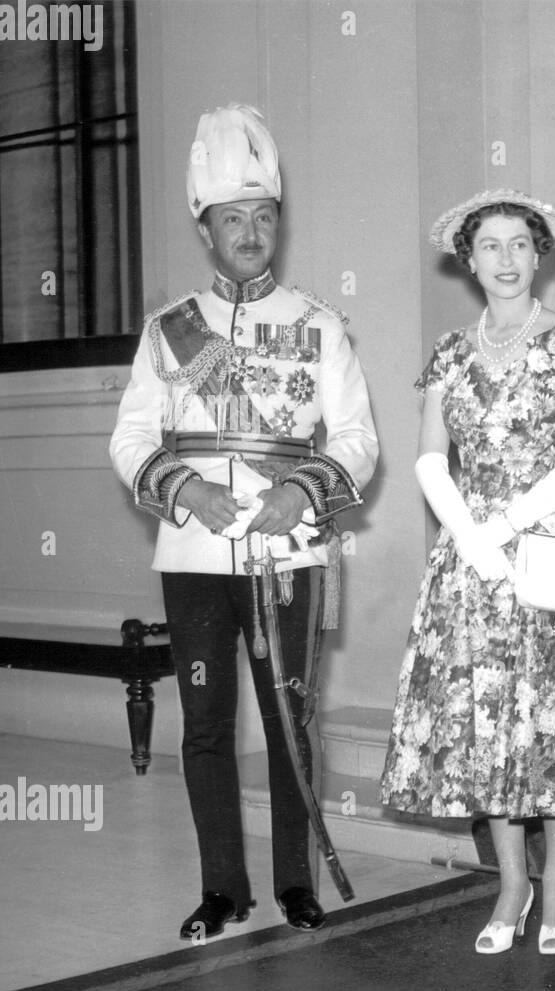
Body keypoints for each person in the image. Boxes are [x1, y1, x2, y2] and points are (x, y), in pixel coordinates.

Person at [110, 104, 379, 939]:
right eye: (234, 219)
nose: (251, 233)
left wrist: (302, 492)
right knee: (205, 725)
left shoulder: (319, 326)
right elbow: (130, 438)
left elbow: (359, 439)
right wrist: (186, 490)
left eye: (264, 216)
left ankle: (295, 882)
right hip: (192, 554)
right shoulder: (168, 332)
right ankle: (222, 888)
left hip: (288, 552)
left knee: (290, 721)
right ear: (207, 228)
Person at [379, 190, 555, 956]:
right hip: (470, 562)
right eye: (490, 245)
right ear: (469, 260)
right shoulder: (450, 352)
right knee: (484, 721)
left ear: (539, 255)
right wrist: (470, 536)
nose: (505, 258)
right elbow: (431, 459)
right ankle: (510, 881)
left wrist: (502, 526)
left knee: (553, 719)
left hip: (547, 549)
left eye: (519, 243)